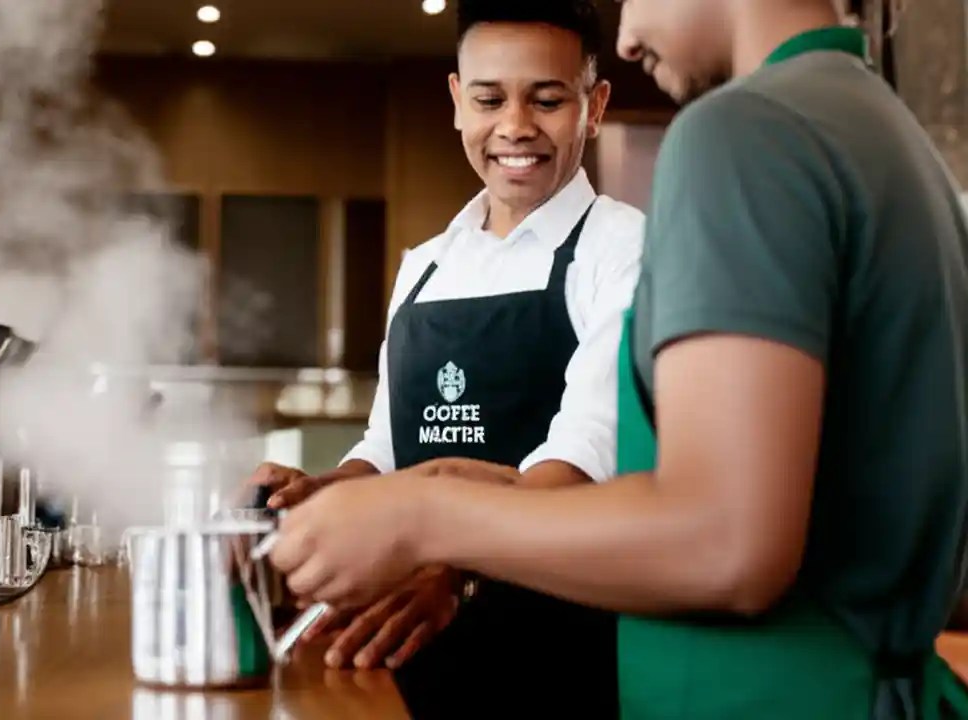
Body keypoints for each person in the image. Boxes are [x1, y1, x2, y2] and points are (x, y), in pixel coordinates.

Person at [267, 0, 968, 717]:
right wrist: (359, 495)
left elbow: (728, 539)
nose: (628, 35)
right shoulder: (890, 133)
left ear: (589, 107)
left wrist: (423, 517)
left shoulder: (744, 132)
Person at [247, 1, 642, 715]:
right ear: (458, 101)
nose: (515, 126)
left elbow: (581, 466)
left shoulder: (622, 249)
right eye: (489, 99)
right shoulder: (425, 266)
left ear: (595, 106)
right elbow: (386, 450)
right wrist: (318, 494)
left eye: (547, 99)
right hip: (403, 654)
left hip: (558, 652)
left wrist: (449, 562)